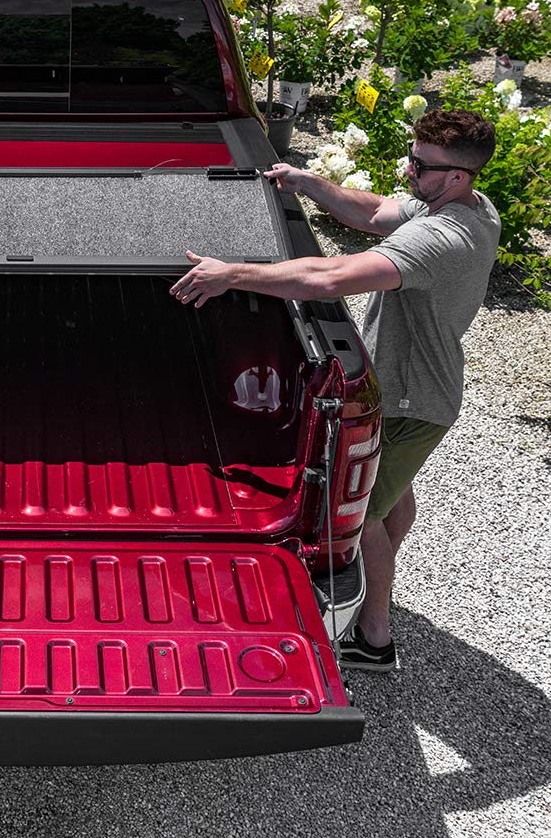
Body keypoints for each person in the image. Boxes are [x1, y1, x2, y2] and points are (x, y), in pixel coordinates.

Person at [170, 108, 500, 672]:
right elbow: (374, 211)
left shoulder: (443, 237)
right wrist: (307, 182)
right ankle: (382, 586)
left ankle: (374, 638)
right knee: (389, 495)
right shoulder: (465, 203)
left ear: (455, 177)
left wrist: (233, 273)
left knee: (362, 514)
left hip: (407, 399)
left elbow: (332, 276)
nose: (408, 170)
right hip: (412, 392)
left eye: (420, 166)